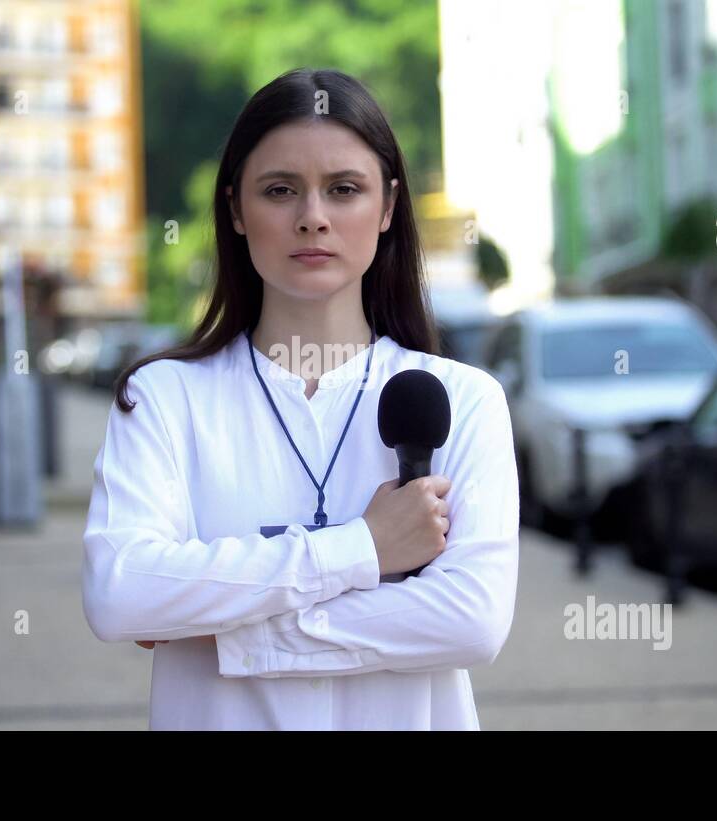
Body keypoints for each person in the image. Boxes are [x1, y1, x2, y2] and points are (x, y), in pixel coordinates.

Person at [82, 68, 519, 730]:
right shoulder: (164, 400)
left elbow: (471, 621)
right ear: (235, 209)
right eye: (280, 190)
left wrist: (232, 629)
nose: (312, 217)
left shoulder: (464, 399)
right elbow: (121, 593)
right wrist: (362, 547)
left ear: (388, 205)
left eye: (344, 190)